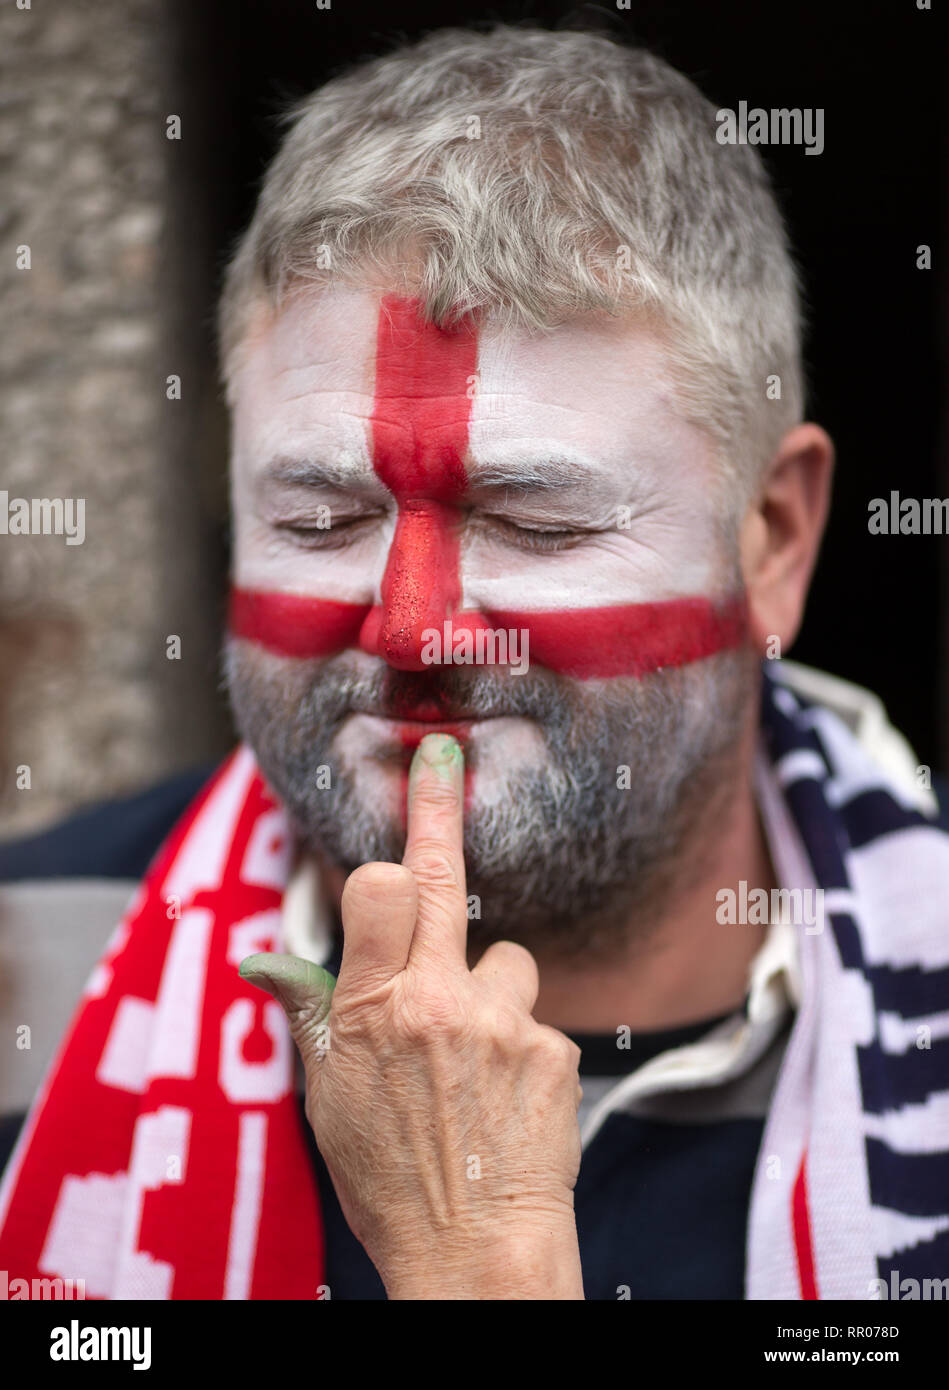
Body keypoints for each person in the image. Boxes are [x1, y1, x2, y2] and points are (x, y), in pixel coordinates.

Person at [1, 25, 947, 1301]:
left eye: (534, 522)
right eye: (319, 519)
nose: (412, 628)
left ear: (772, 541)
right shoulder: (22, 964)